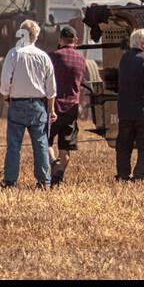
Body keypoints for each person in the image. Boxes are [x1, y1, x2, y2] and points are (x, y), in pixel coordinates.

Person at [0, 19, 57, 188]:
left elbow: (4, 81)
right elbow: (51, 88)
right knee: (40, 144)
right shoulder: (44, 56)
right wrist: (51, 110)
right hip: (38, 106)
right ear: (36, 36)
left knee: (14, 145)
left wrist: (6, 96)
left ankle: (10, 181)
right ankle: (44, 181)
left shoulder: (13, 53)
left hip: (17, 104)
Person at [117, 28, 144, 181]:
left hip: (125, 110)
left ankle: (123, 175)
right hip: (143, 111)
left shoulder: (124, 59)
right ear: (143, 44)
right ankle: (140, 175)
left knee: (124, 145)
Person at [47, 25, 86, 186]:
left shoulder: (53, 57)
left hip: (54, 107)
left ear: (60, 40)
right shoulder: (81, 59)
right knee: (66, 146)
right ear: (75, 40)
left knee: (46, 141)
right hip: (72, 107)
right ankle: (58, 177)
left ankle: (53, 163)